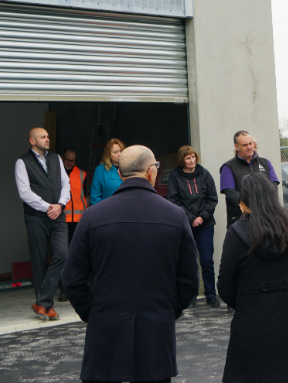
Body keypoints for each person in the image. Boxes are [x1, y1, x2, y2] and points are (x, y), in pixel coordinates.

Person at [62, 145, 199, 383]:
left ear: (120, 172)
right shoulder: (175, 215)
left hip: (106, 328)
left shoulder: (93, 216)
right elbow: (189, 278)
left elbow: (72, 278)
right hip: (156, 327)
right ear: (150, 172)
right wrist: (168, 310)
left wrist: (93, 312)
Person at [218, 173, 288, 383]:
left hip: (250, 323)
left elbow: (225, 287)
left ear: (244, 203)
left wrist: (247, 301)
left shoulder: (236, 235)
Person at [14, 127, 70, 321]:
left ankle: (42, 302)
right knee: (38, 260)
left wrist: (60, 205)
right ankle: (46, 305)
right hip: (36, 217)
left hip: (58, 215)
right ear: (32, 141)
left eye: (48, 136)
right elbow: (24, 192)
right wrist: (48, 207)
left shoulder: (56, 158)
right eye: (43, 137)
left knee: (62, 254)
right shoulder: (22, 162)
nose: (48, 139)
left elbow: (66, 183)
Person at [166, 145, 220, 308]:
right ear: (182, 160)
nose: (192, 160)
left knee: (206, 260)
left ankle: (211, 294)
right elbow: (173, 200)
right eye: (188, 158)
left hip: (205, 224)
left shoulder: (204, 174)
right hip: (185, 225)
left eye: (193, 157)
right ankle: (191, 295)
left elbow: (212, 198)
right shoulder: (174, 177)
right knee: (188, 262)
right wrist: (190, 218)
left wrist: (202, 217)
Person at [220, 131, 279, 228]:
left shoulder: (265, 163)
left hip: (266, 218)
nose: (249, 147)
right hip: (240, 220)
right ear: (236, 147)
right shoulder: (228, 167)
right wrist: (252, 207)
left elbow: (274, 187)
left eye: (250, 143)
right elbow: (230, 193)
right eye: (245, 145)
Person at [61, 148, 89, 243]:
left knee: (76, 246)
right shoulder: (57, 174)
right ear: (62, 158)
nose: (70, 163)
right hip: (62, 218)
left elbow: (84, 195)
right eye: (67, 160)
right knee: (62, 248)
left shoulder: (82, 174)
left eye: (72, 161)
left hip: (79, 220)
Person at [90, 138, 125, 205]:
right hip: (108, 211)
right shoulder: (100, 170)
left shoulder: (130, 167)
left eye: (121, 151)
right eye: (115, 152)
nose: (119, 154)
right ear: (108, 154)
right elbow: (95, 197)